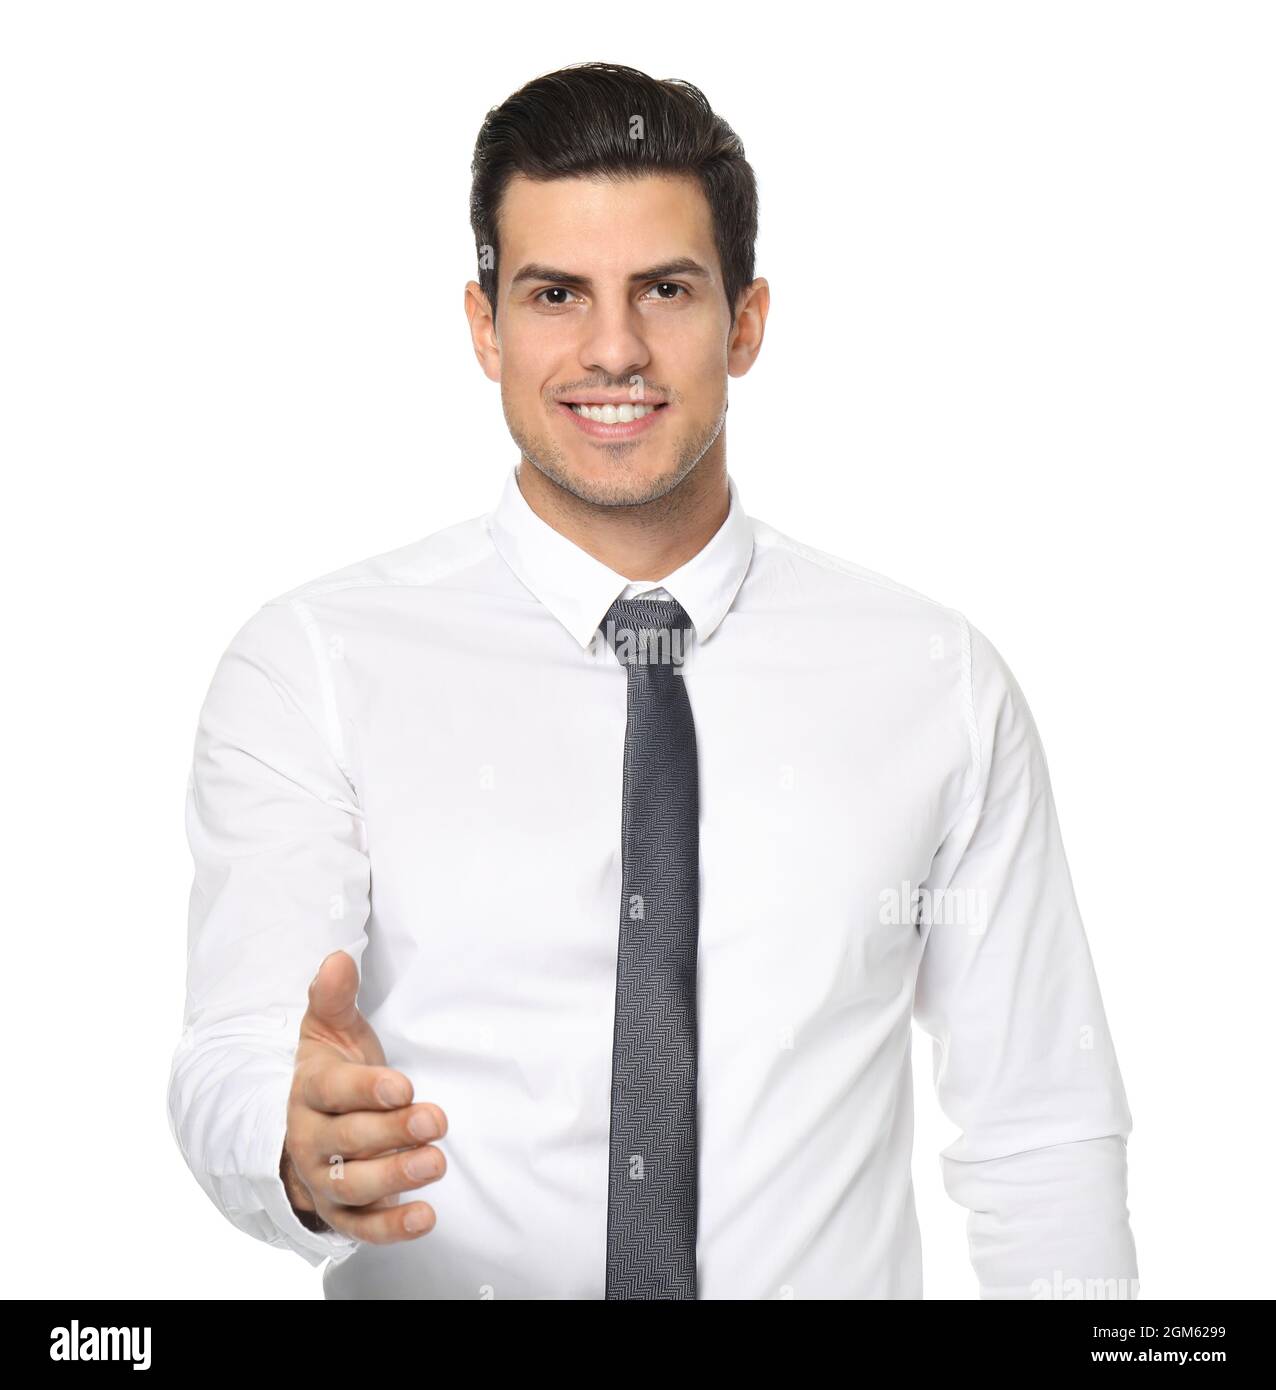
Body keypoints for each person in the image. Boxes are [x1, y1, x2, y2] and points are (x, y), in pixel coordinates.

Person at [168, 61, 1138, 1300]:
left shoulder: (933, 678)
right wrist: (292, 1144)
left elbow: (1038, 1128)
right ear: (485, 327)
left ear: (746, 320)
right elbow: (239, 1052)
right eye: (556, 293)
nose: (612, 348)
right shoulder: (314, 663)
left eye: (666, 289)